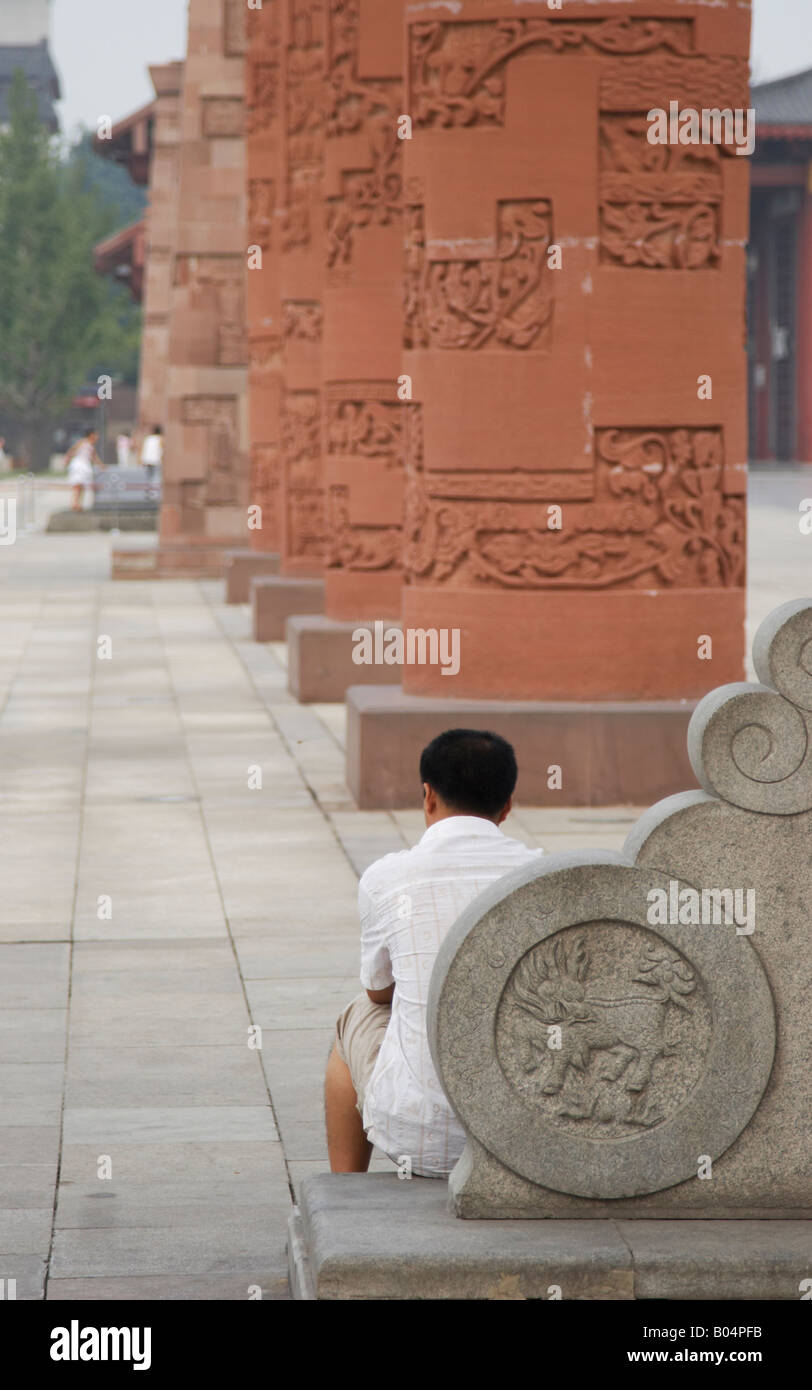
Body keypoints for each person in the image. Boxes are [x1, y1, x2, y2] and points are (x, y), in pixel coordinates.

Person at [325, 729, 544, 1178]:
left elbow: (378, 994)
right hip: (529, 1136)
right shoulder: (542, 874)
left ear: (427, 796)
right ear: (507, 805)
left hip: (419, 1135)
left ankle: (345, 1188)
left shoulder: (388, 878)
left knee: (353, 1018)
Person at [64, 429, 103, 512]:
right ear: (91, 435)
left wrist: (101, 465)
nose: (97, 437)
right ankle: (74, 503)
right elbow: (72, 450)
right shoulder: (82, 442)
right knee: (77, 485)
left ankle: (79, 504)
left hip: (85, 466)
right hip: (79, 465)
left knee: (82, 486)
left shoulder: (91, 446)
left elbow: (94, 457)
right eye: (95, 435)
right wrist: (67, 459)